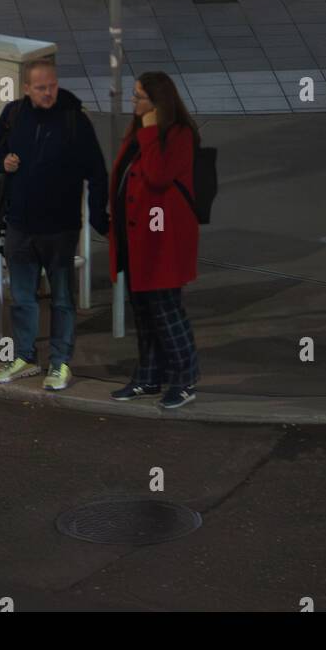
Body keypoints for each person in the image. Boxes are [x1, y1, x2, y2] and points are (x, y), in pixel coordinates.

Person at [0, 61, 109, 391]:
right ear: (26, 88)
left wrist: (98, 218)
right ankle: (25, 356)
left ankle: (60, 362)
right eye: (41, 87)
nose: (48, 92)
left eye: (51, 86)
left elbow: (97, 172)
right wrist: (3, 160)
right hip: (21, 224)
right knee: (23, 297)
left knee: (62, 298)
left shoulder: (74, 120)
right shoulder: (14, 115)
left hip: (60, 226)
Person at [109, 72, 200, 410]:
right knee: (145, 313)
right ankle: (149, 376)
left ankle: (185, 379)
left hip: (163, 242)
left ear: (157, 103)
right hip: (138, 239)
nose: (133, 102)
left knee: (167, 312)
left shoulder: (178, 135)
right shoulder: (140, 133)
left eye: (139, 97)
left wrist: (148, 130)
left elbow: (158, 176)